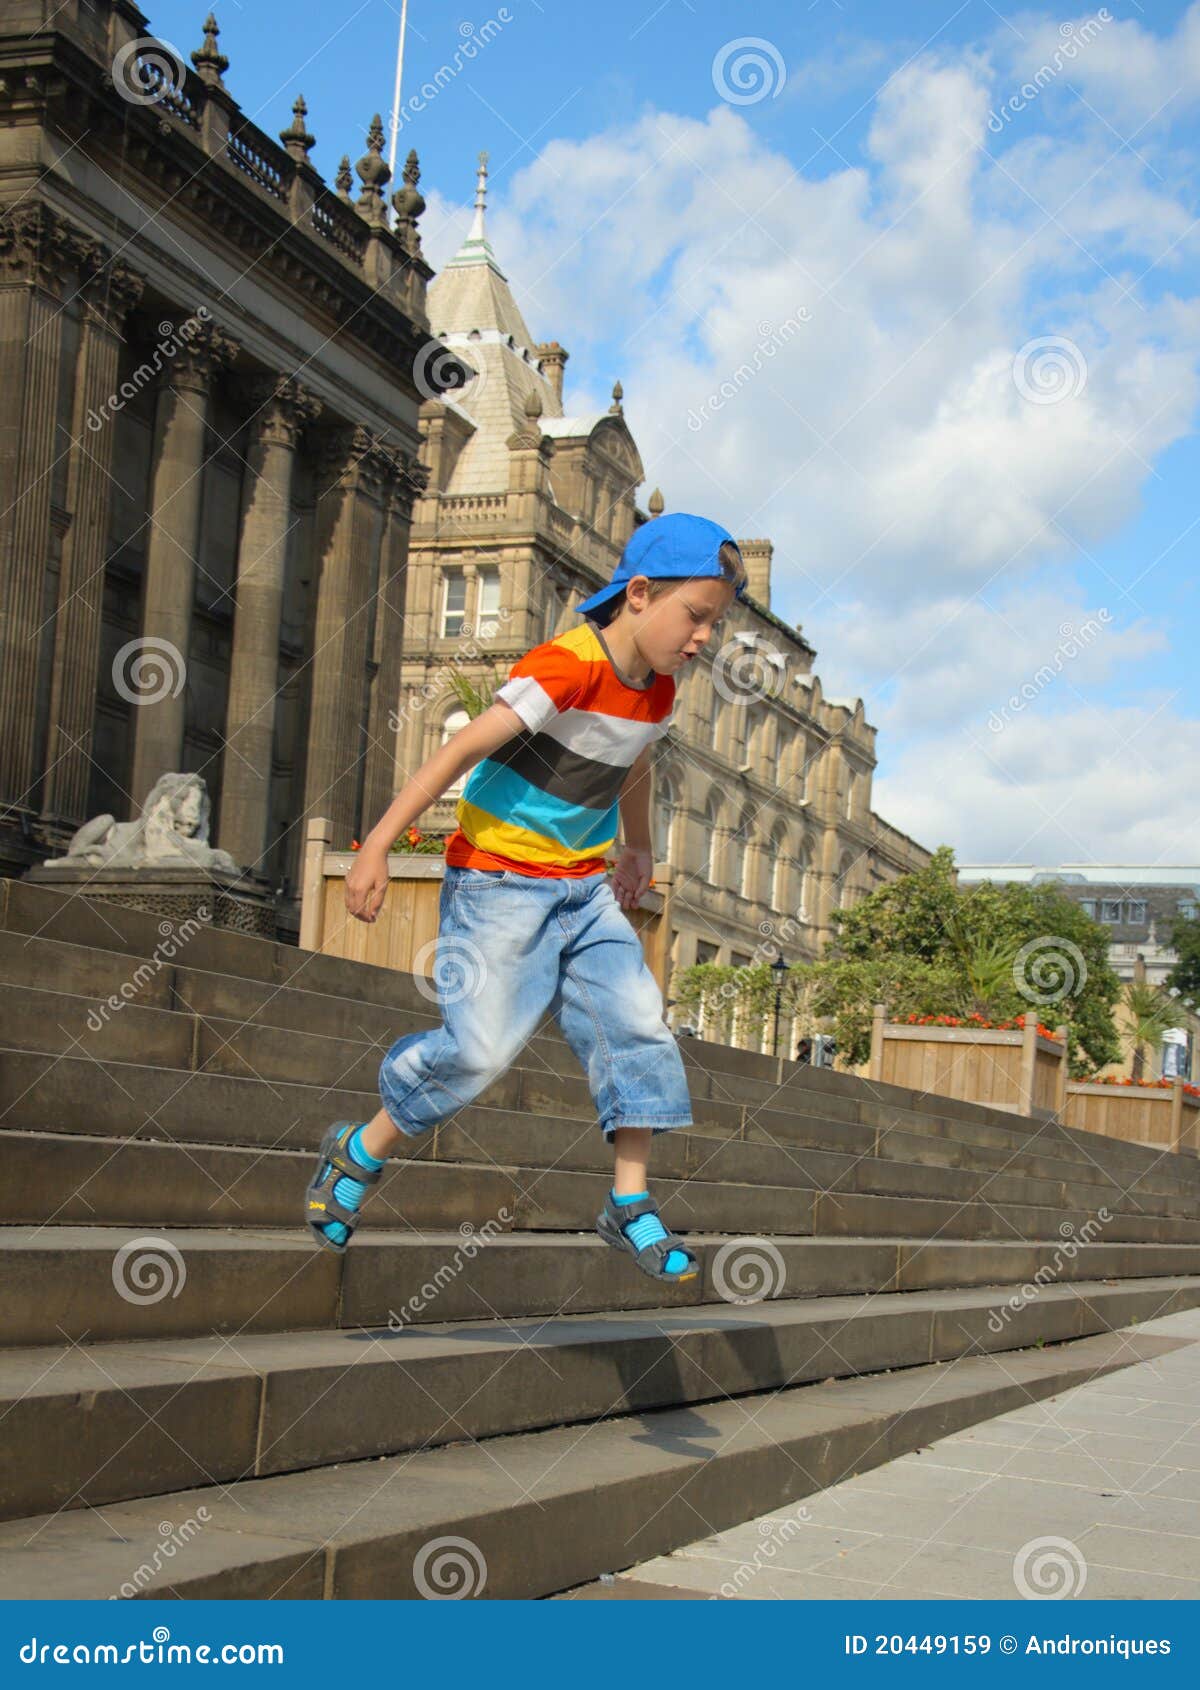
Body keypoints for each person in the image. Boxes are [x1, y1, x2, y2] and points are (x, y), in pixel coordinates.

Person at [305, 511, 749, 1283]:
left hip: (581, 890)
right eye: (698, 617)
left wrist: (636, 847)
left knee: (640, 1022)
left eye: (713, 623)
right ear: (639, 594)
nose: (703, 638)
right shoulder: (565, 667)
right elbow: (460, 746)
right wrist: (376, 844)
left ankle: (629, 1201)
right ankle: (361, 1147)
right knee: (478, 1051)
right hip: (499, 882)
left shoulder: (659, 692)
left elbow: (634, 763)